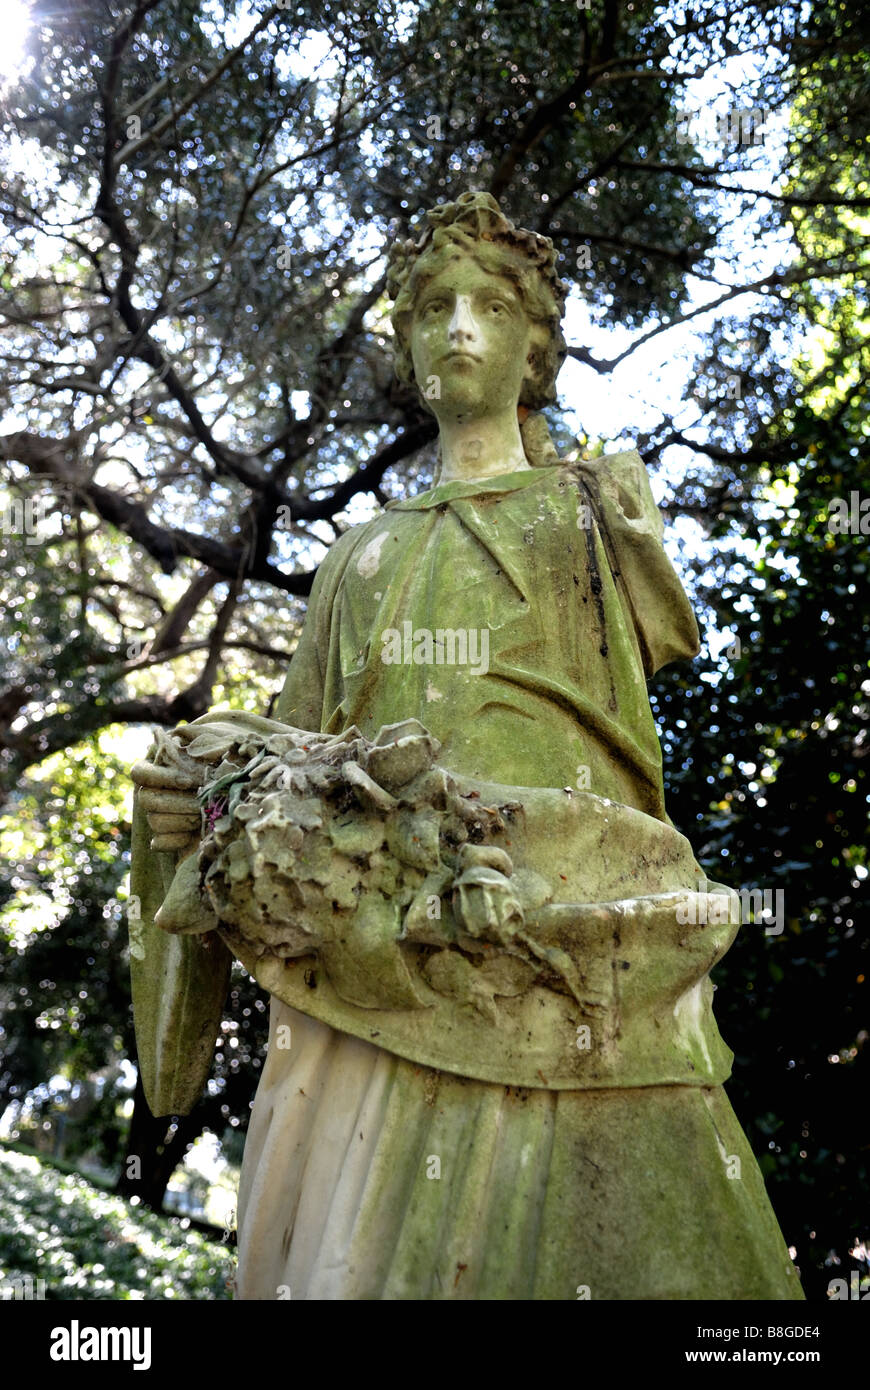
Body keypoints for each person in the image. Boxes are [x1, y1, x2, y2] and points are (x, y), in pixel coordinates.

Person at [131, 192, 803, 1300]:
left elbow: (650, 663)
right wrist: (200, 788)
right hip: (383, 956)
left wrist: (625, 524)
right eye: (433, 306)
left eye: (492, 306)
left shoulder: (585, 512)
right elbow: (296, 750)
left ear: (534, 345)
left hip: (580, 922)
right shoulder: (362, 554)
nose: (459, 327)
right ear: (403, 341)